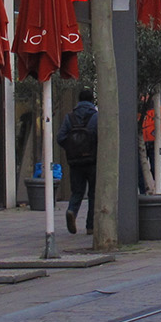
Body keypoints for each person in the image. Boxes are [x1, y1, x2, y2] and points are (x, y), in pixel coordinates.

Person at [57, 90, 98, 235]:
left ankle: (72, 210)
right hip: (92, 161)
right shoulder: (95, 117)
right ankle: (91, 226)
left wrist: (72, 149)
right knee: (93, 193)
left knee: (77, 191)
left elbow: (60, 137)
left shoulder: (70, 117)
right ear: (92, 100)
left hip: (75, 162)